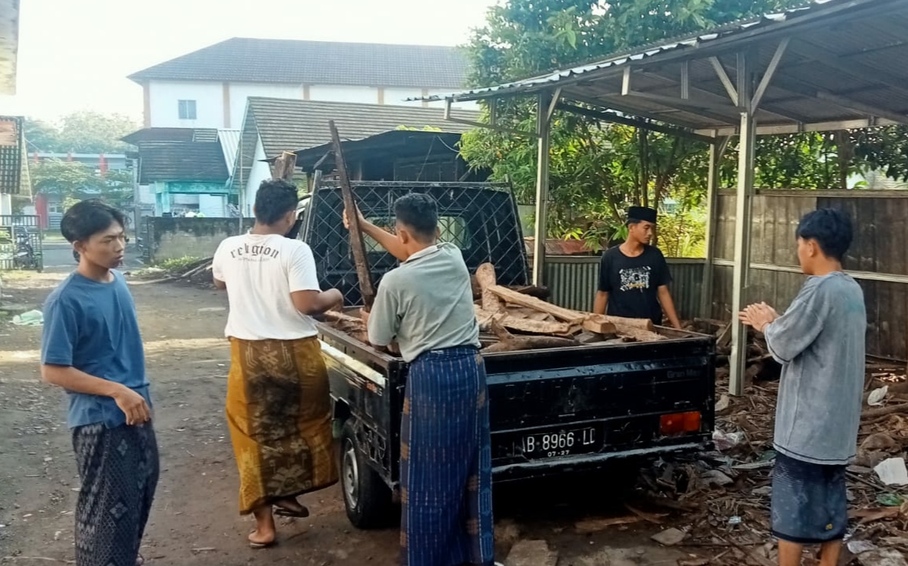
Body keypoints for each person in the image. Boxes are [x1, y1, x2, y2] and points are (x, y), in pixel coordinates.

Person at [344, 194, 497, 566]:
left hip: (432, 377)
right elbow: (408, 247)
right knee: (469, 469)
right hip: (470, 370)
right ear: (439, 228)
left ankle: (427, 559)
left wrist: (369, 319)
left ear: (401, 230)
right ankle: (474, 555)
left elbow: (378, 338)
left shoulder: (396, 281)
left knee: (429, 479)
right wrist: (363, 226)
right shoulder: (454, 256)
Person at [212, 179, 343, 549]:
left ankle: (266, 524)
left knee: (252, 436)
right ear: (291, 215)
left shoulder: (228, 246)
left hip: (249, 356)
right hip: (297, 356)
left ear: (255, 210)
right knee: (303, 425)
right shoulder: (294, 249)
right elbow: (308, 304)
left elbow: (219, 282)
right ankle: (290, 490)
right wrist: (335, 294)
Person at [739, 208, 865, 566]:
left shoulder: (818, 290)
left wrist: (765, 324)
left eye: (798, 245)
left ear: (811, 246)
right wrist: (780, 322)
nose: (798, 252)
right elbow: (811, 337)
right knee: (830, 515)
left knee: (792, 518)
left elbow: (782, 348)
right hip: (838, 431)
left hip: (807, 430)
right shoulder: (850, 289)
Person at [40, 199, 158, 566]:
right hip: (100, 422)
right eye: (108, 240)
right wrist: (116, 390)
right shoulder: (65, 300)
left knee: (138, 500)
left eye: (122, 237)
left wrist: (130, 393)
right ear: (79, 245)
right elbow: (53, 370)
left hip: (136, 410)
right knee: (106, 515)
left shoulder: (118, 281)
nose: (119, 246)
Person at [593, 205, 681, 328]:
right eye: (646, 228)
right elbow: (603, 294)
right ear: (632, 227)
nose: (650, 233)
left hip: (651, 325)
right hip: (619, 326)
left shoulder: (655, 255)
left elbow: (663, 292)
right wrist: (596, 326)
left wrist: (678, 328)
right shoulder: (610, 257)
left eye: (652, 228)